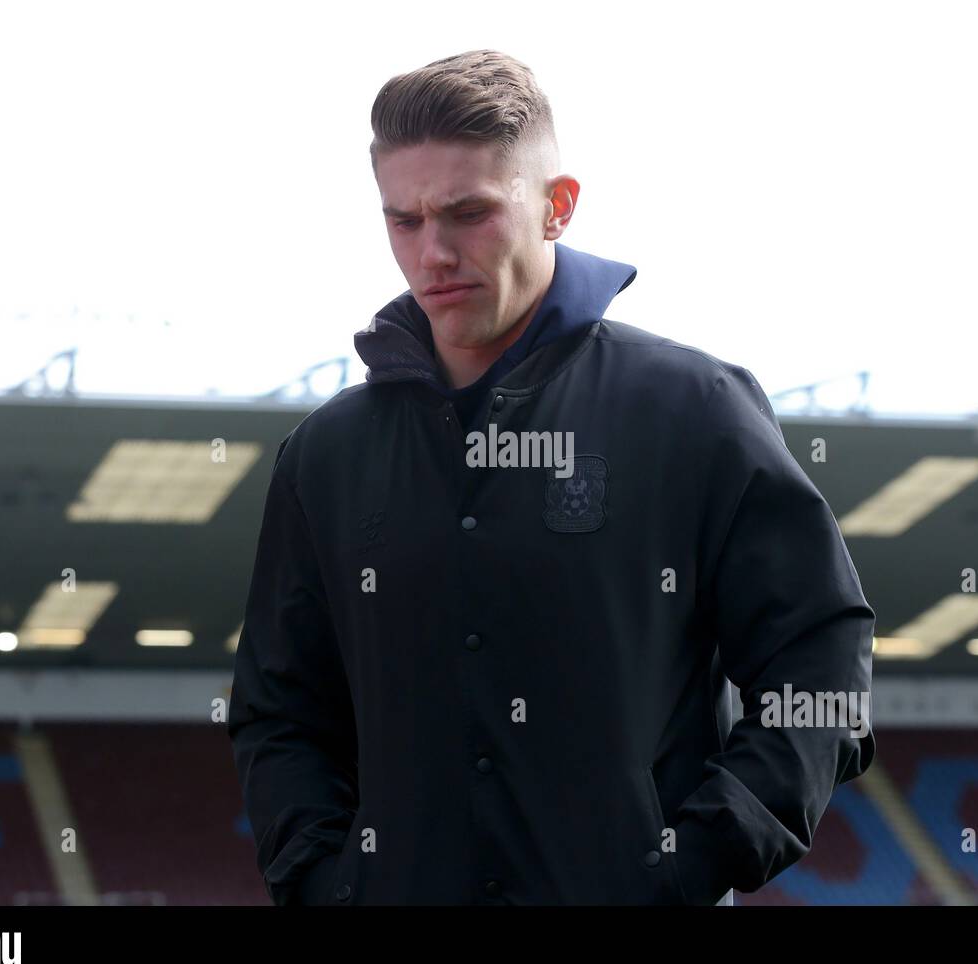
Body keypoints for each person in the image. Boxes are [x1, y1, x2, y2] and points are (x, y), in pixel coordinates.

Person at [228, 49, 876, 906]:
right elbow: (279, 713)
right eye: (405, 220)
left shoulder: (694, 411)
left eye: (469, 213)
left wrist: (700, 854)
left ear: (557, 207)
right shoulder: (327, 456)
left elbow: (822, 664)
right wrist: (325, 883)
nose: (433, 253)